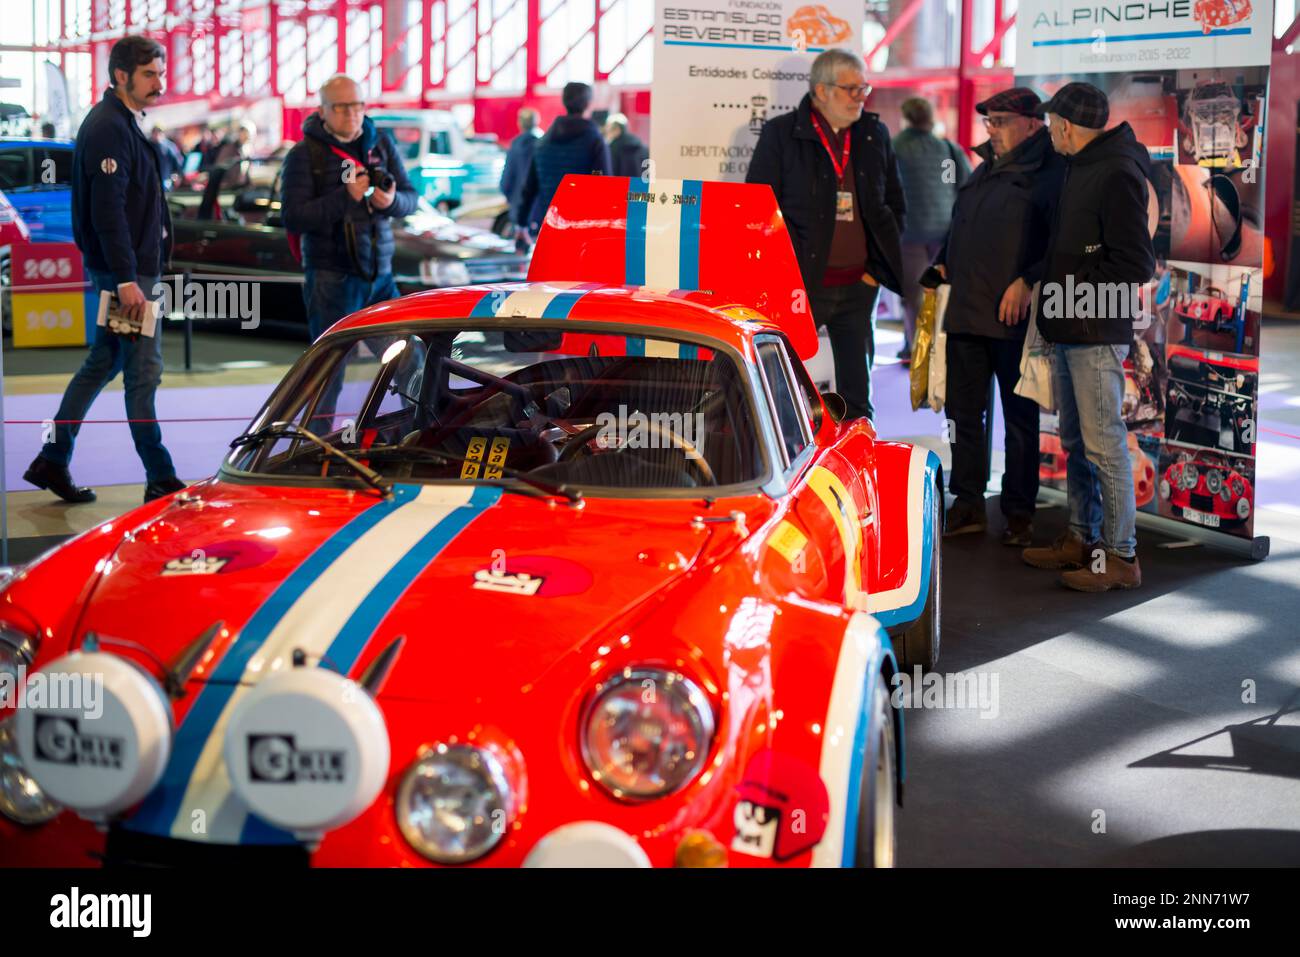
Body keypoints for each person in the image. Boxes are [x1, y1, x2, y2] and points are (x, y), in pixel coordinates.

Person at [23, 35, 185, 505]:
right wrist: (127, 280)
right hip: (130, 277)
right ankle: (159, 475)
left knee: (105, 362)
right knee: (143, 371)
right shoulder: (110, 128)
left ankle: (52, 460)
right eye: (150, 74)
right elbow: (107, 212)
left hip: (131, 272)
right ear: (121, 76)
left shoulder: (123, 123)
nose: (160, 83)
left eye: (161, 72)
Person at [1021, 82, 1156, 591]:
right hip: (1074, 326)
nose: (1048, 132)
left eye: (1051, 124)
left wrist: (1071, 288)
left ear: (1065, 126)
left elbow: (1135, 263)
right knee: (1079, 442)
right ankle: (1083, 539)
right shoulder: (1084, 164)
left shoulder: (1116, 170)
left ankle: (1121, 557)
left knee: (1104, 448)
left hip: (1094, 330)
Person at [934, 88, 1065, 546]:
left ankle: (1019, 512)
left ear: (1033, 122)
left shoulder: (1051, 172)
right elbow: (962, 224)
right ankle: (967, 504)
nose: (992, 129)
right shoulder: (985, 167)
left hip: (1013, 316)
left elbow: (1061, 241)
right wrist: (941, 259)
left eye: (1001, 121)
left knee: (1019, 420)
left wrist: (1028, 280)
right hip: (968, 309)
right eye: (989, 121)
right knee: (964, 415)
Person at [746, 48, 905, 420]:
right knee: (781, 385)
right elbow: (759, 208)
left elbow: (896, 205)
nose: (861, 97)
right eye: (852, 89)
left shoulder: (873, 134)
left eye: (864, 88)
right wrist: (788, 273)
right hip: (802, 286)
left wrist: (875, 272)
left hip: (859, 287)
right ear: (821, 91)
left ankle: (858, 467)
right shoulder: (782, 134)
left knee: (857, 397)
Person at [280, 73, 418, 342]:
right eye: (341, 107)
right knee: (330, 371)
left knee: (407, 359)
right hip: (331, 278)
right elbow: (293, 218)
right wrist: (346, 196)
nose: (351, 114)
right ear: (322, 111)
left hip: (381, 276)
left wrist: (392, 202)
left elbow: (411, 197)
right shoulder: (303, 154)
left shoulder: (381, 144)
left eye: (357, 105)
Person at [893, 96, 968, 361]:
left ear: (906, 117)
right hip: (943, 234)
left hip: (908, 233)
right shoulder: (947, 150)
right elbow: (961, 187)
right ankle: (939, 344)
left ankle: (917, 349)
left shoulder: (895, 148)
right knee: (938, 290)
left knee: (913, 293)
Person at [518, 82, 611, 238]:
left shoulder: (543, 143)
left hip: (550, 227)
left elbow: (529, 187)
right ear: (588, 104)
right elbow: (602, 184)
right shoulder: (594, 141)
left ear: (564, 102)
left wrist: (521, 225)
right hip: (583, 229)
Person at [499, 107, 541, 233]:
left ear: (520, 123)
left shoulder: (515, 145)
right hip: (540, 211)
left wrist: (513, 200)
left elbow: (505, 182)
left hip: (518, 211)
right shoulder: (544, 144)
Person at [605, 112, 649, 179]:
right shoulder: (642, 147)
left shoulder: (612, 148)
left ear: (617, 129)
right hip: (640, 187)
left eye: (608, 129)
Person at [150, 125, 183, 190]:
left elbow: (178, 161)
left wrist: (177, 174)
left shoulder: (169, 146)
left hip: (166, 180)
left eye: (159, 132)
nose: (157, 134)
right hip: (151, 180)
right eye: (155, 132)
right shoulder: (148, 146)